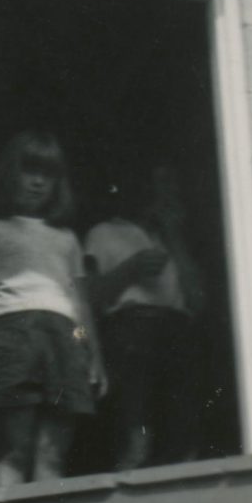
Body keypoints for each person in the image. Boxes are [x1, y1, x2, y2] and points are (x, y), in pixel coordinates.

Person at [0, 132, 105, 487]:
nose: (37, 182)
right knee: (13, 449)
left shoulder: (66, 238)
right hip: (11, 334)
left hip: (64, 339)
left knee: (52, 454)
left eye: (47, 174)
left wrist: (90, 352)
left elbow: (78, 306)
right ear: (9, 173)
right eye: (28, 171)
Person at [84, 163, 207, 472]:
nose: (161, 197)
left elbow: (198, 300)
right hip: (131, 330)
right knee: (135, 432)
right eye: (156, 188)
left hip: (177, 333)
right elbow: (91, 298)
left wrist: (174, 236)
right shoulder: (105, 232)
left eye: (169, 190)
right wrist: (130, 269)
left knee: (182, 433)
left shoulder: (170, 239)